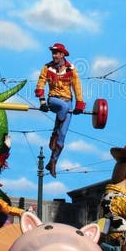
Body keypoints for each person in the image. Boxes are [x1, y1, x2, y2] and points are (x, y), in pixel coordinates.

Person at [35, 42, 85, 177]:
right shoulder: (47, 67)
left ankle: (53, 162)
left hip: (68, 101)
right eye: (53, 53)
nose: (53, 55)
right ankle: (55, 132)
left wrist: (79, 103)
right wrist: (42, 101)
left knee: (62, 137)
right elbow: (41, 82)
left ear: (62, 54)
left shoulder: (71, 69)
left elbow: (77, 86)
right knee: (63, 107)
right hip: (54, 100)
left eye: (56, 53)